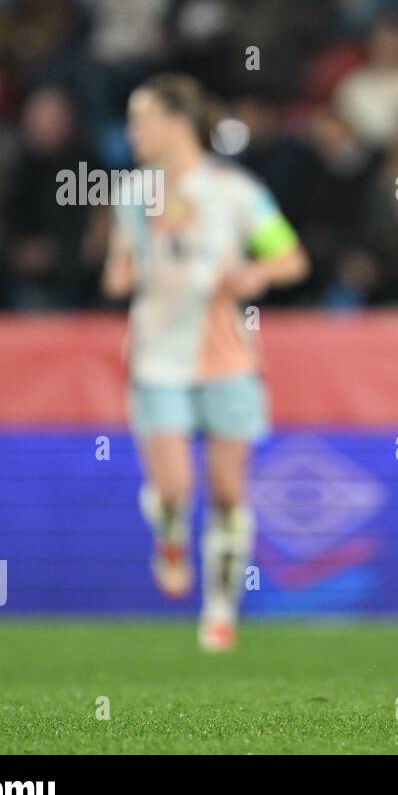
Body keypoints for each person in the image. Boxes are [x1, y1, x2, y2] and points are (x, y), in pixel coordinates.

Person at [102, 74, 309, 652]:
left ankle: (220, 611)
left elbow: (291, 258)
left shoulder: (235, 190)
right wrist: (140, 263)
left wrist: (255, 274)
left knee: (225, 492)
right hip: (157, 359)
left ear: (177, 122)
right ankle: (169, 535)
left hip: (226, 358)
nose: (133, 131)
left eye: (141, 118)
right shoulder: (131, 194)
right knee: (173, 488)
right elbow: (118, 274)